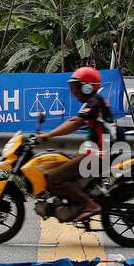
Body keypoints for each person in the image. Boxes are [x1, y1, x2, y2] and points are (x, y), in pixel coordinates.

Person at [36, 66, 116, 222]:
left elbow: (75, 123)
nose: (74, 91)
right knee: (60, 162)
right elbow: (74, 120)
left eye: (77, 87)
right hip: (97, 152)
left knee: (53, 178)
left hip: (99, 154)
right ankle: (73, 203)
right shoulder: (93, 102)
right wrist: (48, 134)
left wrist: (48, 135)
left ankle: (89, 205)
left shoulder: (95, 103)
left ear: (88, 87)